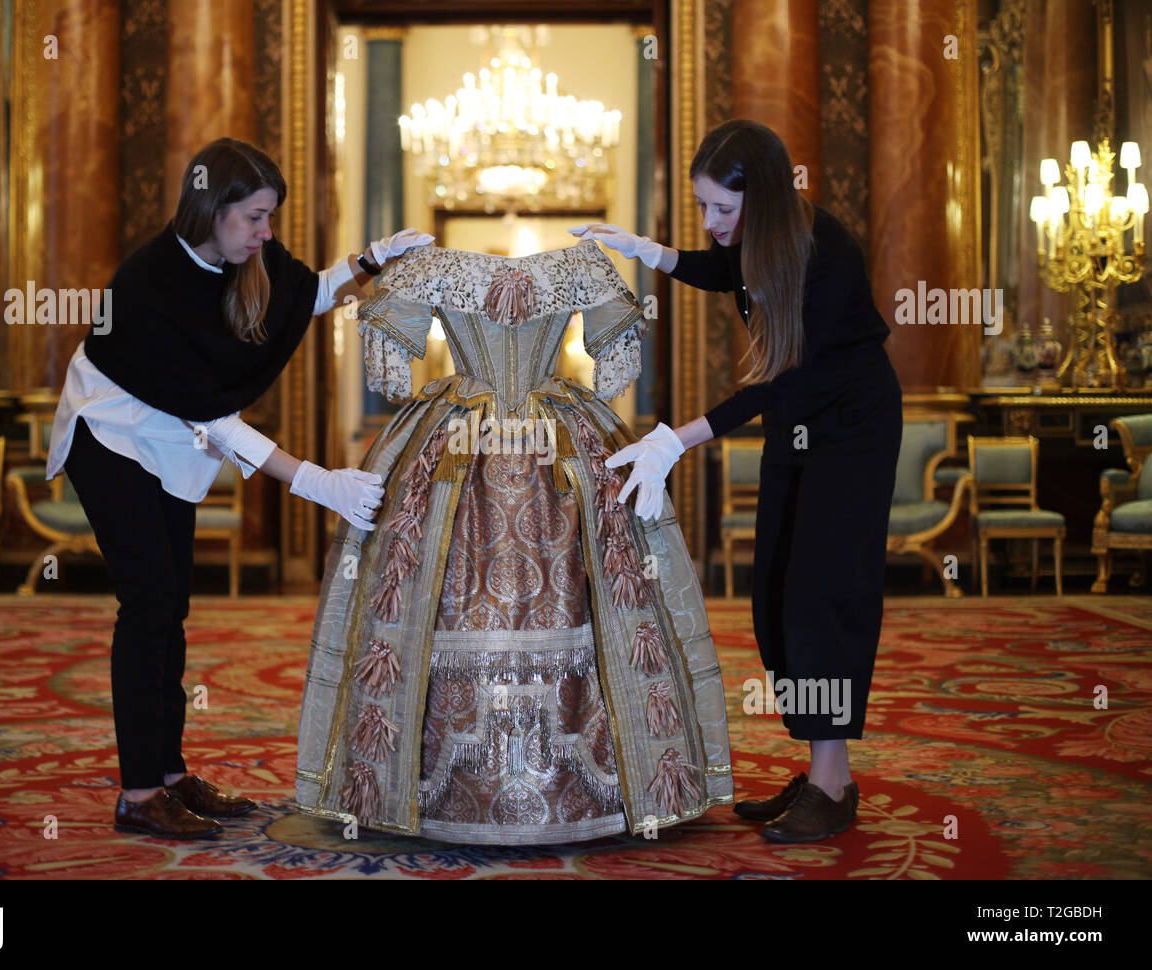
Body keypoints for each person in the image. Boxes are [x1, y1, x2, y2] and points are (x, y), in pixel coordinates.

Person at [45, 137, 432, 840]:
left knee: (175, 604)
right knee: (148, 602)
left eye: (270, 218)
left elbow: (305, 295)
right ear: (212, 209)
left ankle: (169, 775)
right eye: (255, 217)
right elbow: (215, 418)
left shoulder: (246, 259)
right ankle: (138, 795)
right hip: (110, 436)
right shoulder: (147, 285)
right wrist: (317, 482)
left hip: (172, 437)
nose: (266, 234)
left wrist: (370, 258)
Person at [293, 238, 734, 844]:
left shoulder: (431, 266)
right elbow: (615, 371)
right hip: (558, 434)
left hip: (454, 436)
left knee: (428, 585)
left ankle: (425, 794)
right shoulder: (582, 265)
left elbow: (389, 372)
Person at [572, 118, 902, 843]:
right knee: (777, 589)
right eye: (701, 207)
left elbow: (786, 380)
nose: (710, 222)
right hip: (799, 423)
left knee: (822, 596)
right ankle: (827, 772)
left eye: (723, 209)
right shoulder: (754, 241)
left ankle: (831, 780)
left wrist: (677, 438)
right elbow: (720, 268)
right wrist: (644, 249)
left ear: (768, 199)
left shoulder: (823, 249)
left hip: (851, 428)